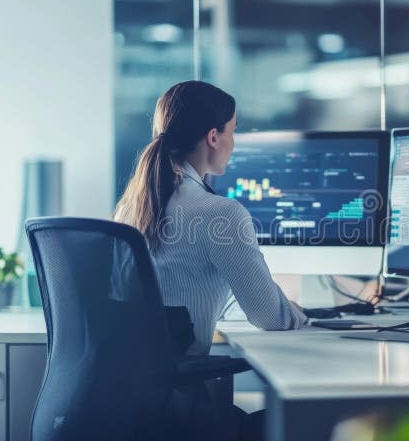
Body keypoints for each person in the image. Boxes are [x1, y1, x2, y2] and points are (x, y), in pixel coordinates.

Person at [114, 80, 307, 353]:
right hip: (175, 390)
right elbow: (272, 318)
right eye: (233, 131)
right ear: (214, 137)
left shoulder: (130, 207)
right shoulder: (221, 214)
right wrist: (300, 313)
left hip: (129, 385)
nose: (234, 143)